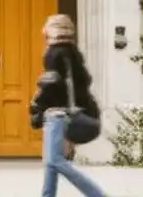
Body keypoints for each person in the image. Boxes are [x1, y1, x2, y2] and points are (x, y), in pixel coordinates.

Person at [29, 14, 108, 197]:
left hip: (56, 113)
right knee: (50, 162)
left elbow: (51, 85)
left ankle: (97, 194)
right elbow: (83, 81)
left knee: (55, 160)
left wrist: (37, 107)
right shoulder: (73, 52)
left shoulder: (53, 53)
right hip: (68, 112)